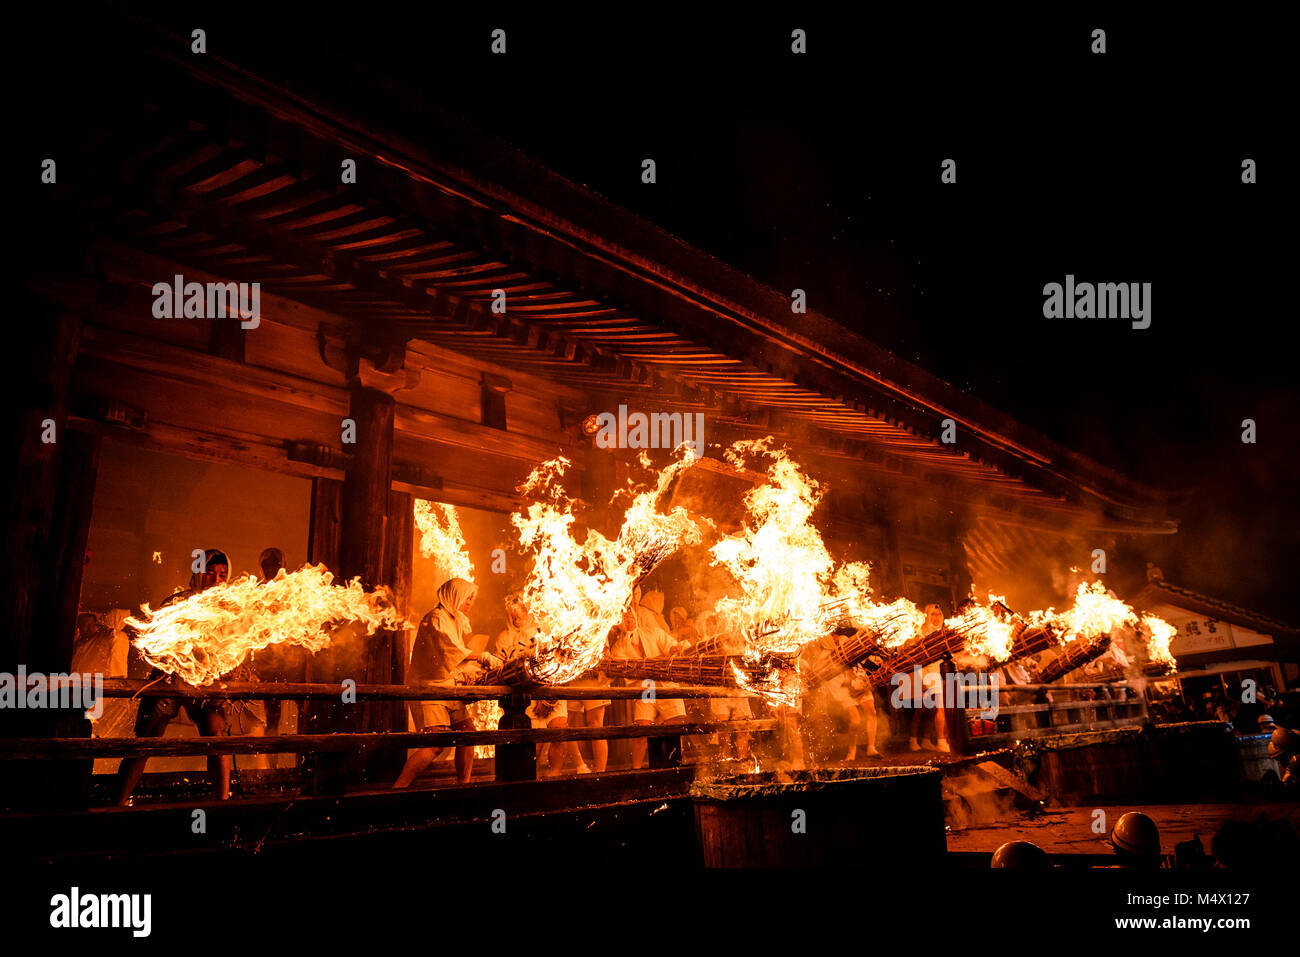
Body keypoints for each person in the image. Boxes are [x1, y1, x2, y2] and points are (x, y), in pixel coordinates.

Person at [113, 548, 244, 806]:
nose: (216, 580)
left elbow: (234, 647)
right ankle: (115, 804)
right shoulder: (175, 604)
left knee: (217, 738)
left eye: (222, 575)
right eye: (209, 573)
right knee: (145, 742)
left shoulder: (230, 610)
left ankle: (221, 804)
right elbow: (155, 644)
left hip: (204, 684)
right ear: (196, 573)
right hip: (169, 680)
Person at [394, 578, 500, 788]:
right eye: (467, 598)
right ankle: (398, 789)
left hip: (447, 686)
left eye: (472, 599)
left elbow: (454, 661)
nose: (470, 603)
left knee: (468, 735)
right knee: (435, 745)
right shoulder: (436, 618)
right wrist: (482, 657)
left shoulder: (455, 619)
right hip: (429, 689)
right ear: (454, 595)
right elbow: (450, 651)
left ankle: (463, 786)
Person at [496, 595, 574, 777]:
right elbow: (500, 666)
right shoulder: (504, 638)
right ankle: (532, 777)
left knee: (559, 731)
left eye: (522, 612)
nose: (519, 618)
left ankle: (554, 774)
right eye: (515, 615)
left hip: (552, 690)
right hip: (527, 695)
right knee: (535, 742)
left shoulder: (543, 629)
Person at [613, 600, 689, 769]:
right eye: (624, 616)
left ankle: (674, 768)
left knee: (676, 724)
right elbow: (620, 666)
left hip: (665, 684)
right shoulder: (619, 646)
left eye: (630, 614)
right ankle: (636, 770)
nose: (628, 618)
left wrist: (674, 650)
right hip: (646, 688)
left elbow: (670, 646)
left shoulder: (653, 632)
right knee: (642, 729)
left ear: (636, 617)